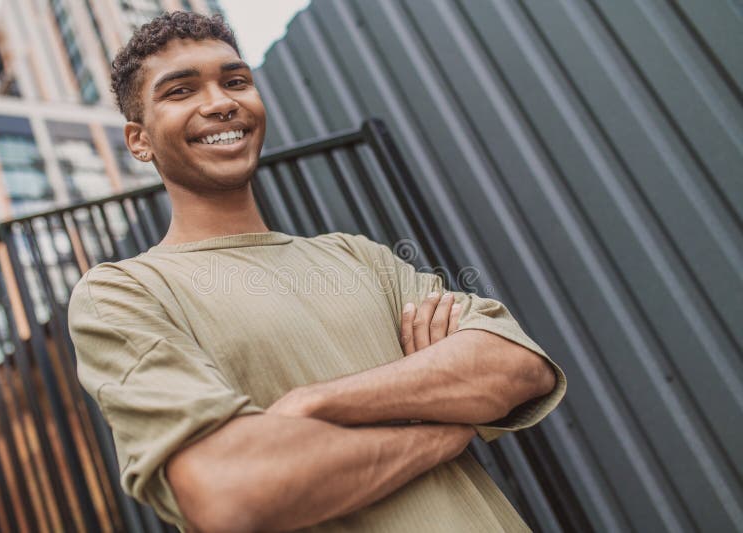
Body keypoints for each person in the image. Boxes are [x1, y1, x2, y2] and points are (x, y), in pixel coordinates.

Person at [67, 11, 566, 533]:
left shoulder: (357, 256)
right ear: (139, 140)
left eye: (235, 81)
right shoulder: (122, 294)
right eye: (180, 91)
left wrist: (312, 402)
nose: (220, 103)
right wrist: (443, 427)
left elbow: (519, 368)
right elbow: (230, 492)